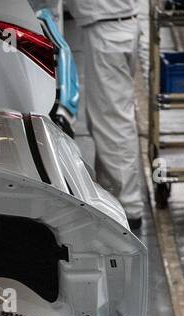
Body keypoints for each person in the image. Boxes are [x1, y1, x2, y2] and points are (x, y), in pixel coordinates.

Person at [67, 0, 145, 229]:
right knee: (104, 120)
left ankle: (127, 207)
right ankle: (109, 196)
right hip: (118, 24)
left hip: (107, 31)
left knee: (112, 122)